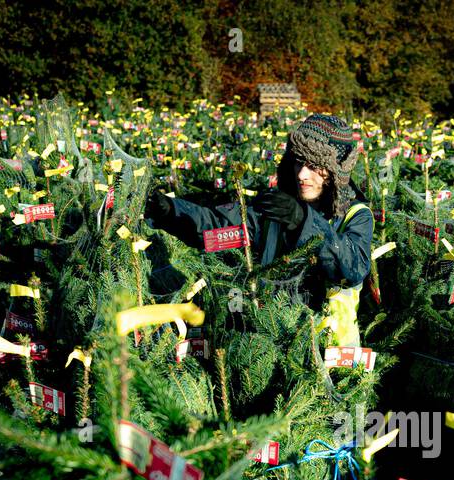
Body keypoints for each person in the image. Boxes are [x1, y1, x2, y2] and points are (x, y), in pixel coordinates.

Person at [144, 113, 373, 347]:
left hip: (327, 354)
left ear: (336, 171)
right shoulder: (275, 208)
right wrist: (170, 211)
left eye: (314, 166)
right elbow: (216, 229)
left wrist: (303, 221)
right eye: (298, 162)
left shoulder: (356, 216)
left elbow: (352, 267)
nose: (302, 175)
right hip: (266, 343)